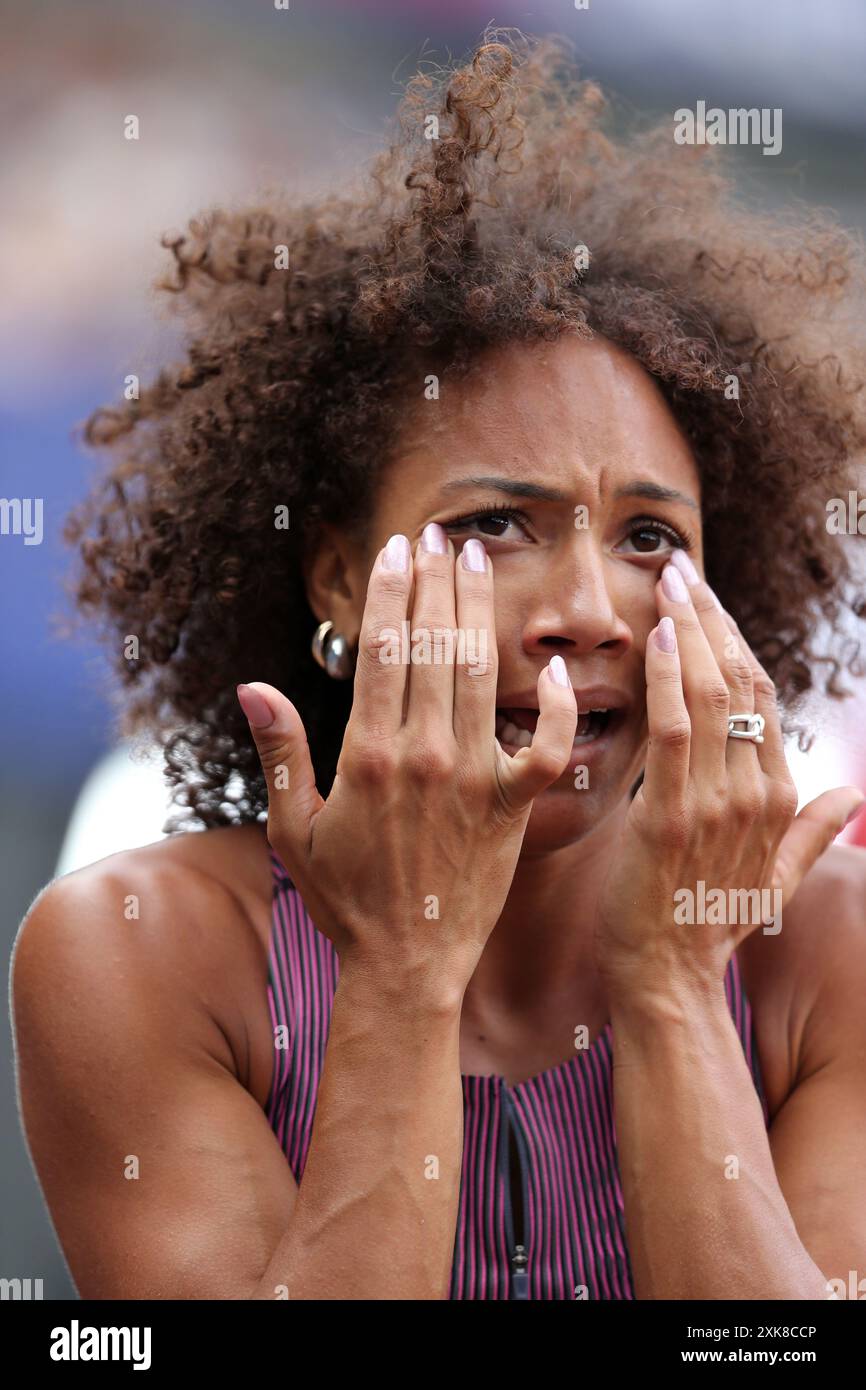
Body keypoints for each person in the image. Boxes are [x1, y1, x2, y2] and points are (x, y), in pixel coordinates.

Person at [11, 34, 866, 1300]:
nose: (587, 609)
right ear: (339, 580)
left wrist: (674, 984)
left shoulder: (822, 952)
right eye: (493, 526)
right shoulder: (140, 952)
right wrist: (407, 971)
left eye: (649, 537)